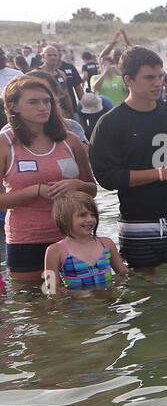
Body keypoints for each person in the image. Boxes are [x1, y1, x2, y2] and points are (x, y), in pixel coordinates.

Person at [90, 47, 167, 269]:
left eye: (160, 76)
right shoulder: (111, 123)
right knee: (144, 288)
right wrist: (159, 174)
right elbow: (107, 178)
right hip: (137, 225)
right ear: (128, 80)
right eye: (149, 77)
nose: (158, 83)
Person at [1, 76, 98, 284]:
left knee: (83, 301)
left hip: (72, 236)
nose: (43, 107)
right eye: (33, 102)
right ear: (13, 106)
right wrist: (35, 190)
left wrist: (78, 186)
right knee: (34, 307)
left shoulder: (70, 140)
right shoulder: (5, 143)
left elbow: (92, 189)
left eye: (47, 101)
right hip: (26, 239)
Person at [43, 191, 127, 294]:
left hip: (108, 301)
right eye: (83, 215)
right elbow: (52, 288)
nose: (90, 219)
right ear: (65, 218)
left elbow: (123, 273)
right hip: (77, 306)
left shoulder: (106, 244)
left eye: (93, 215)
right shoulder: (55, 251)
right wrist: (76, 294)